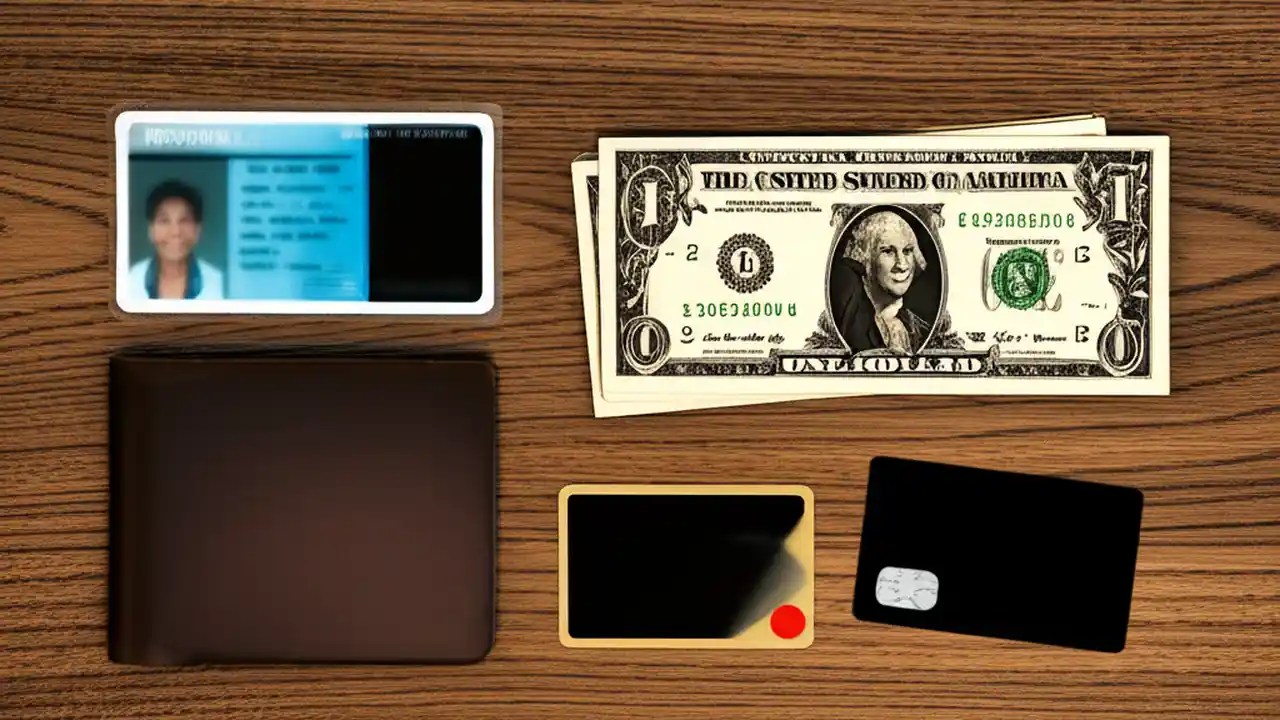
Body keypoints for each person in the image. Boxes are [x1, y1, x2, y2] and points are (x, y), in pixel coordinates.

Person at [829, 210, 933, 354]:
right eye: (888, 251)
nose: (902, 265)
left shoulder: (920, 329)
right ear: (866, 258)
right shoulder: (848, 327)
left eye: (908, 251)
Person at [129, 180, 223, 299]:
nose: (175, 232)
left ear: (198, 230)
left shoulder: (219, 284)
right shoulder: (129, 281)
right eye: (164, 221)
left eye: (184, 220)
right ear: (151, 230)